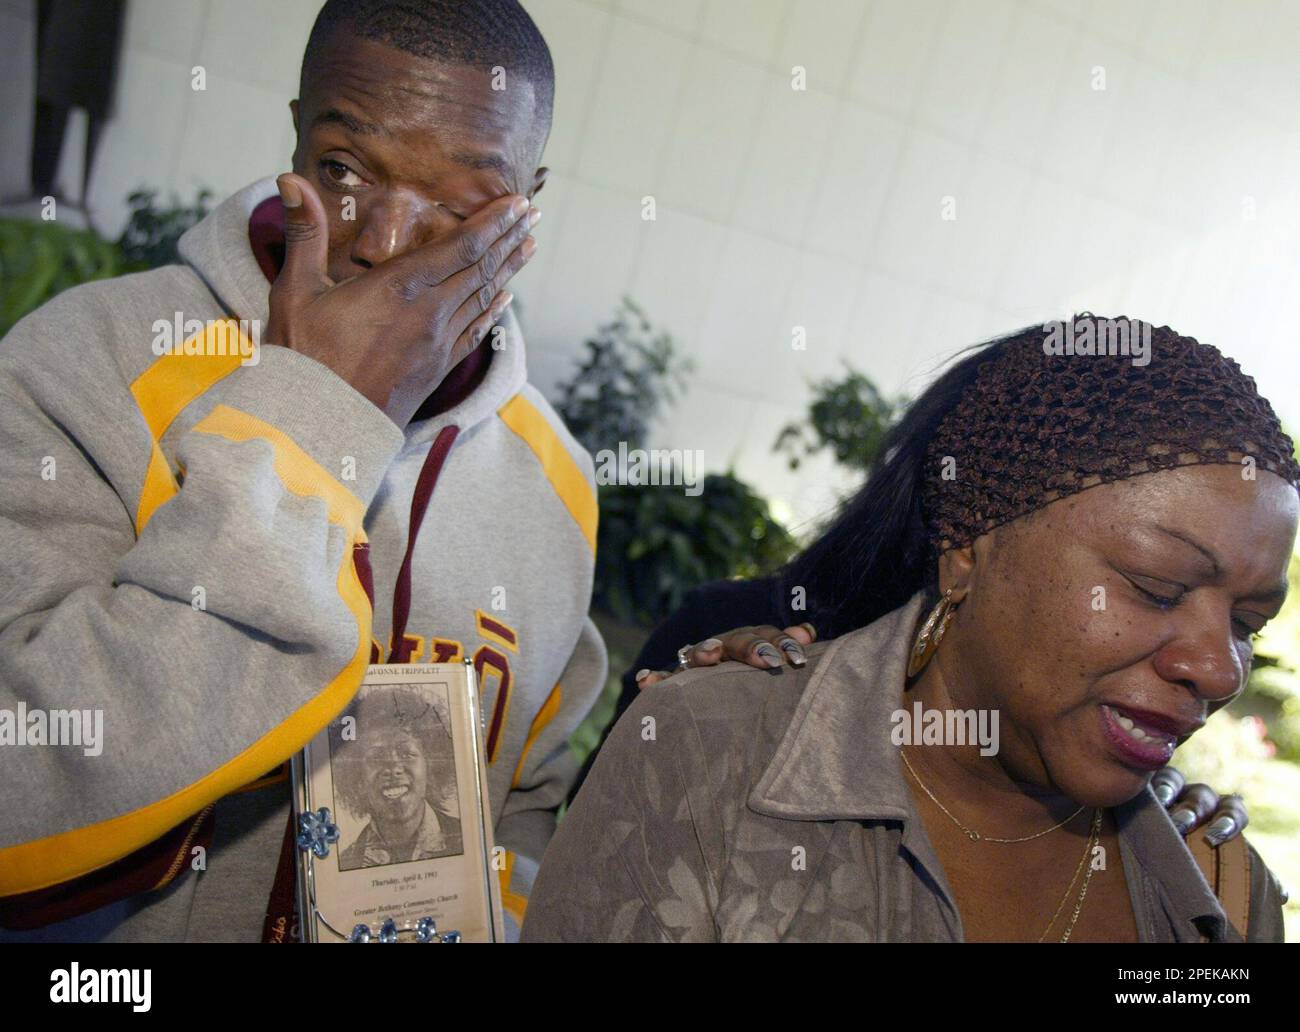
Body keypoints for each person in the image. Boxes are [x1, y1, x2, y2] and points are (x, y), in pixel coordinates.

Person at [0, 0, 605, 942]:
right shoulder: (92, 361)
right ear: (293, 129)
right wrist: (318, 416)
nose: (385, 242)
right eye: (344, 171)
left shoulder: (559, 488)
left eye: (462, 203)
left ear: (530, 197)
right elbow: (21, 782)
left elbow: (521, 805)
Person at [524, 318, 1299, 942]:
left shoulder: (1217, 898)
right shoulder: (714, 760)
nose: (1220, 671)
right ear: (966, 550)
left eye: (1250, 624)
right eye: (1156, 588)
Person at [333, 688, 463, 869]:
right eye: (376, 757)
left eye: (406, 754)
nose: (393, 769)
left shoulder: (467, 840)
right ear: (357, 775)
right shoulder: (346, 863)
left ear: (430, 765)